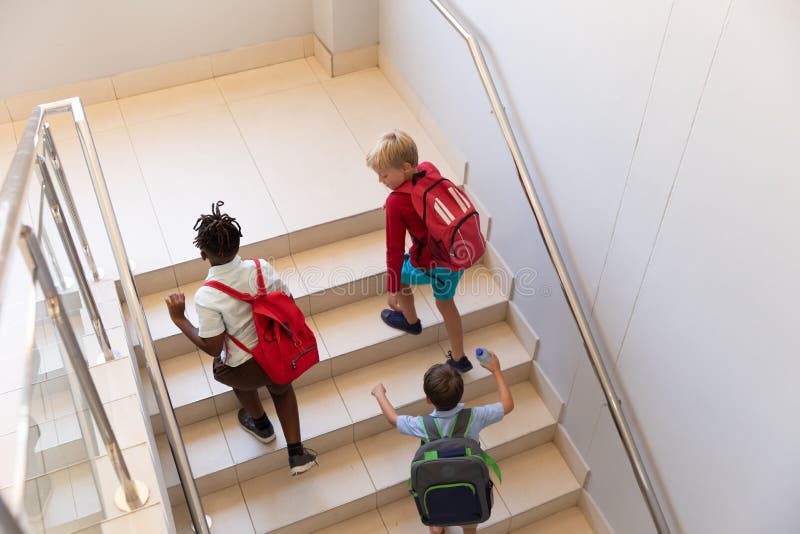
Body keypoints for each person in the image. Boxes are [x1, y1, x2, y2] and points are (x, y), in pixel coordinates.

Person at [164, 201, 317, 475]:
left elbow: (212, 347)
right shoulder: (261, 268)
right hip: (280, 354)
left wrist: (180, 319)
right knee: (282, 390)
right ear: (238, 244)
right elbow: (289, 301)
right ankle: (297, 454)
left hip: (247, 369)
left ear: (203, 254)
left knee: (224, 367)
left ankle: (261, 425)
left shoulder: (207, 295)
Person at [371, 351, 514, 534]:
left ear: (428, 399)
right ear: (460, 395)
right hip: (468, 483)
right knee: (470, 524)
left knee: (436, 517)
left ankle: (438, 528)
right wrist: (496, 370)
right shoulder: (475, 417)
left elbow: (393, 419)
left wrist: (379, 393)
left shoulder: (422, 425)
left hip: (436, 484)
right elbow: (507, 404)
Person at [367, 130, 473, 372]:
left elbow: (394, 250)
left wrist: (392, 288)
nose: (381, 181)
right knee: (446, 304)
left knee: (402, 274)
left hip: (435, 264)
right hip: (458, 253)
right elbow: (425, 193)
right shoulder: (428, 168)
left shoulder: (396, 202)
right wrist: (395, 198)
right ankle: (459, 358)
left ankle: (411, 321)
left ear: (405, 168)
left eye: (384, 175)